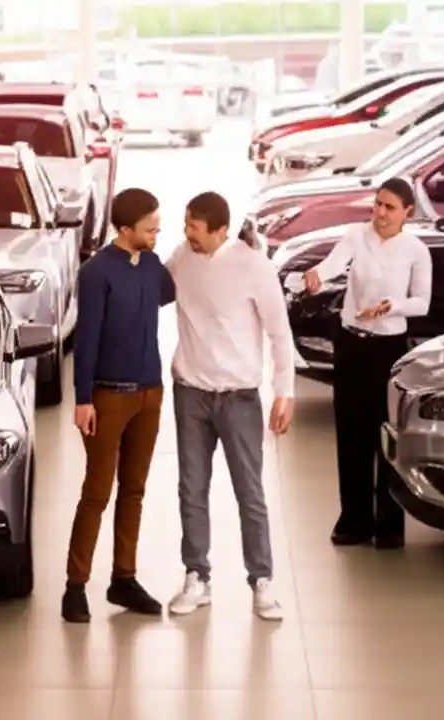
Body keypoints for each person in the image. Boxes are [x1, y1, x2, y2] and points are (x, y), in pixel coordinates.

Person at [164, 192, 295, 621]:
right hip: (191, 393)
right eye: (186, 225)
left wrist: (284, 390)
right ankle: (196, 576)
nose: (187, 235)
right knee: (191, 488)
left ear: (221, 230)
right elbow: (153, 290)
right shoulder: (182, 257)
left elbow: (279, 332)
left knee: (249, 492)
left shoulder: (254, 267)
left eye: (195, 228)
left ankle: (262, 581)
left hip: (239, 397)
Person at [62, 187, 175, 623]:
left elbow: (168, 292)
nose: (157, 230)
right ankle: (75, 586)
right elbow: (86, 338)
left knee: (134, 490)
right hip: (108, 397)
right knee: (97, 492)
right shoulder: (96, 273)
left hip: (150, 392)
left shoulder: (150, 265)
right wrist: (83, 399)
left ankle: (123, 579)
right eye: (150, 227)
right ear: (125, 229)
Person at [303, 177, 432, 549]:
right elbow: (332, 265)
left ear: (407, 212)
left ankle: (389, 524)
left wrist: (392, 306)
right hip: (352, 345)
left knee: (386, 434)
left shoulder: (415, 250)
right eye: (377, 205)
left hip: (388, 349)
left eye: (390, 208)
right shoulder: (356, 236)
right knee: (351, 432)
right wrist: (315, 276)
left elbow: (421, 302)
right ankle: (354, 520)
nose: (380, 213)